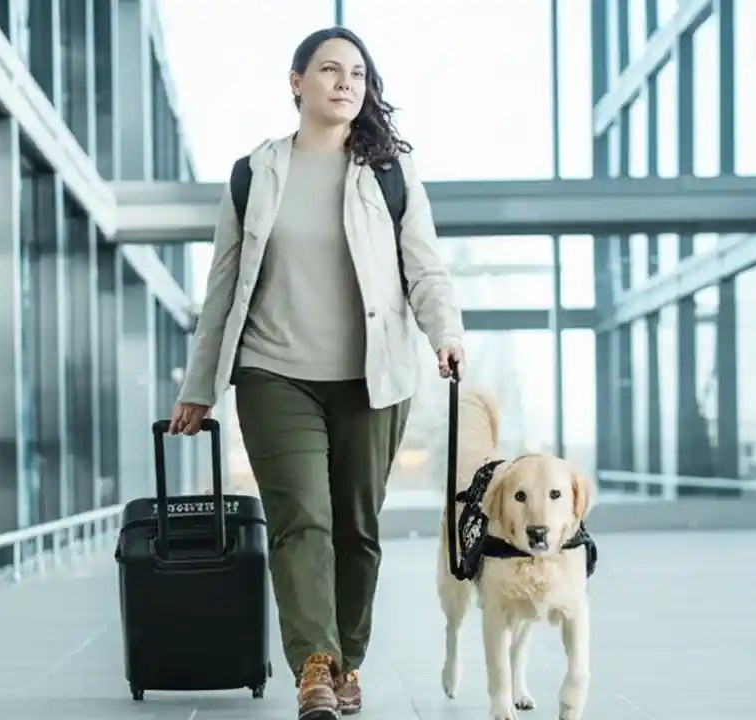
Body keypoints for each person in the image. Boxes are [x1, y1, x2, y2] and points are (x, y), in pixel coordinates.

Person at [168, 25, 465, 720]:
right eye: (330, 70)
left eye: (357, 75)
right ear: (296, 81)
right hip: (275, 374)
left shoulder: (389, 172)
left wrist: (444, 334)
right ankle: (314, 669)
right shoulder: (255, 173)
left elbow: (424, 268)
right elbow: (223, 287)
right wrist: (199, 387)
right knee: (302, 521)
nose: (345, 84)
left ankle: (347, 662)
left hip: (374, 379)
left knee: (356, 529)